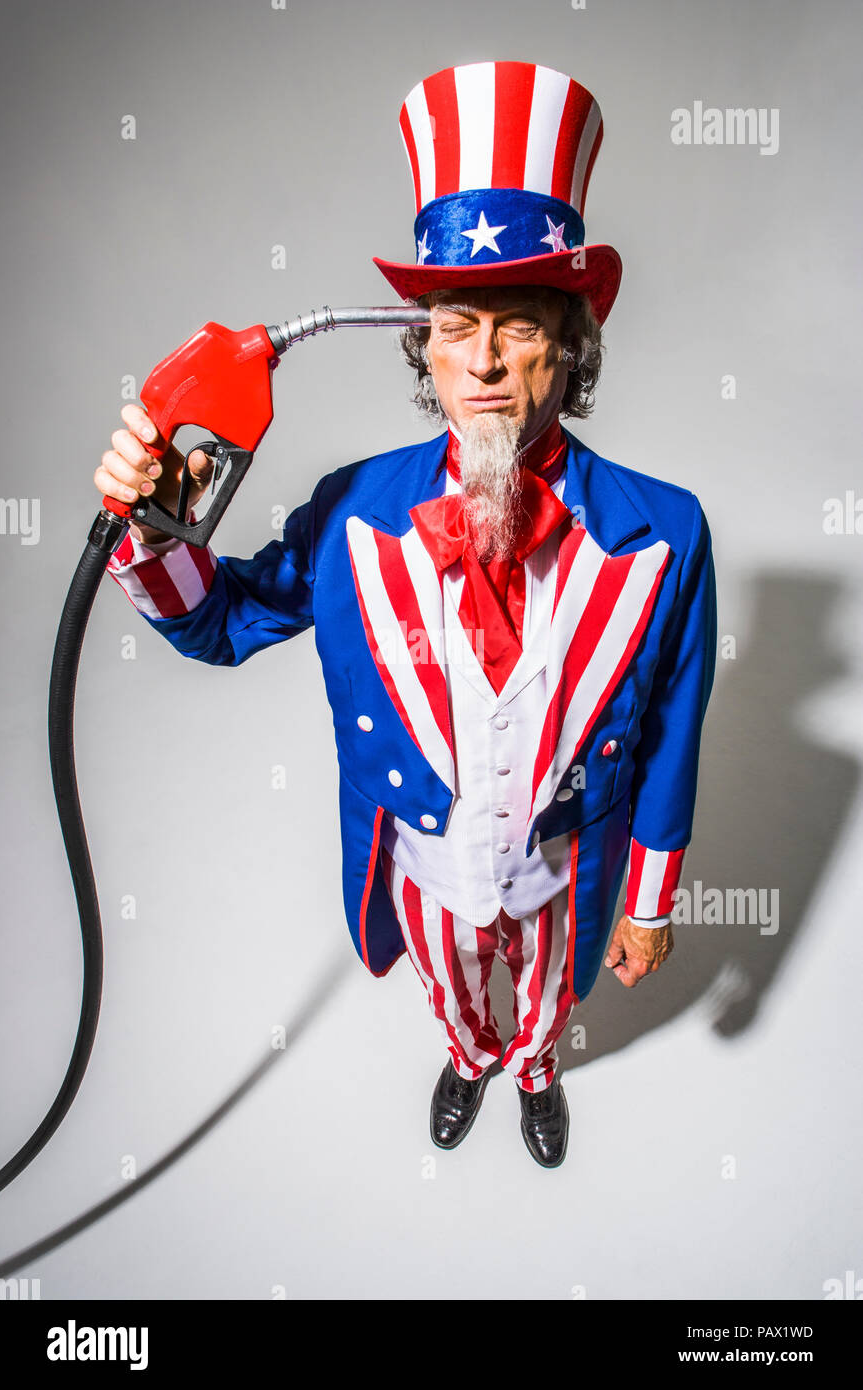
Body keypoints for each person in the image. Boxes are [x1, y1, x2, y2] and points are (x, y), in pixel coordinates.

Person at [94, 61, 717, 1168]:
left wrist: (652, 899)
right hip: (419, 860)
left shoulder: (663, 534)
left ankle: (530, 1064)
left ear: (566, 343)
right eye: (453, 324)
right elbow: (222, 623)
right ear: (420, 345)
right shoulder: (350, 512)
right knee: (449, 978)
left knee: (539, 997)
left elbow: (670, 727)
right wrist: (155, 532)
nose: (480, 360)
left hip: (566, 864)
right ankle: (471, 1051)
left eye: (517, 325)